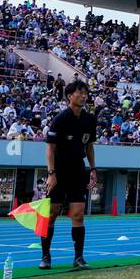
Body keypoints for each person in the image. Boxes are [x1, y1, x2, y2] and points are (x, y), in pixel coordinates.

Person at [42, 79, 97, 269]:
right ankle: (46, 256)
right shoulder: (60, 119)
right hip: (58, 170)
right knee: (51, 213)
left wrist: (93, 169)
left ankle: (78, 257)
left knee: (78, 214)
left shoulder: (90, 120)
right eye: (79, 93)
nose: (83, 96)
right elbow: (50, 148)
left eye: (85, 93)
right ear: (69, 96)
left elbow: (89, 146)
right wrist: (51, 173)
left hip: (77, 169)